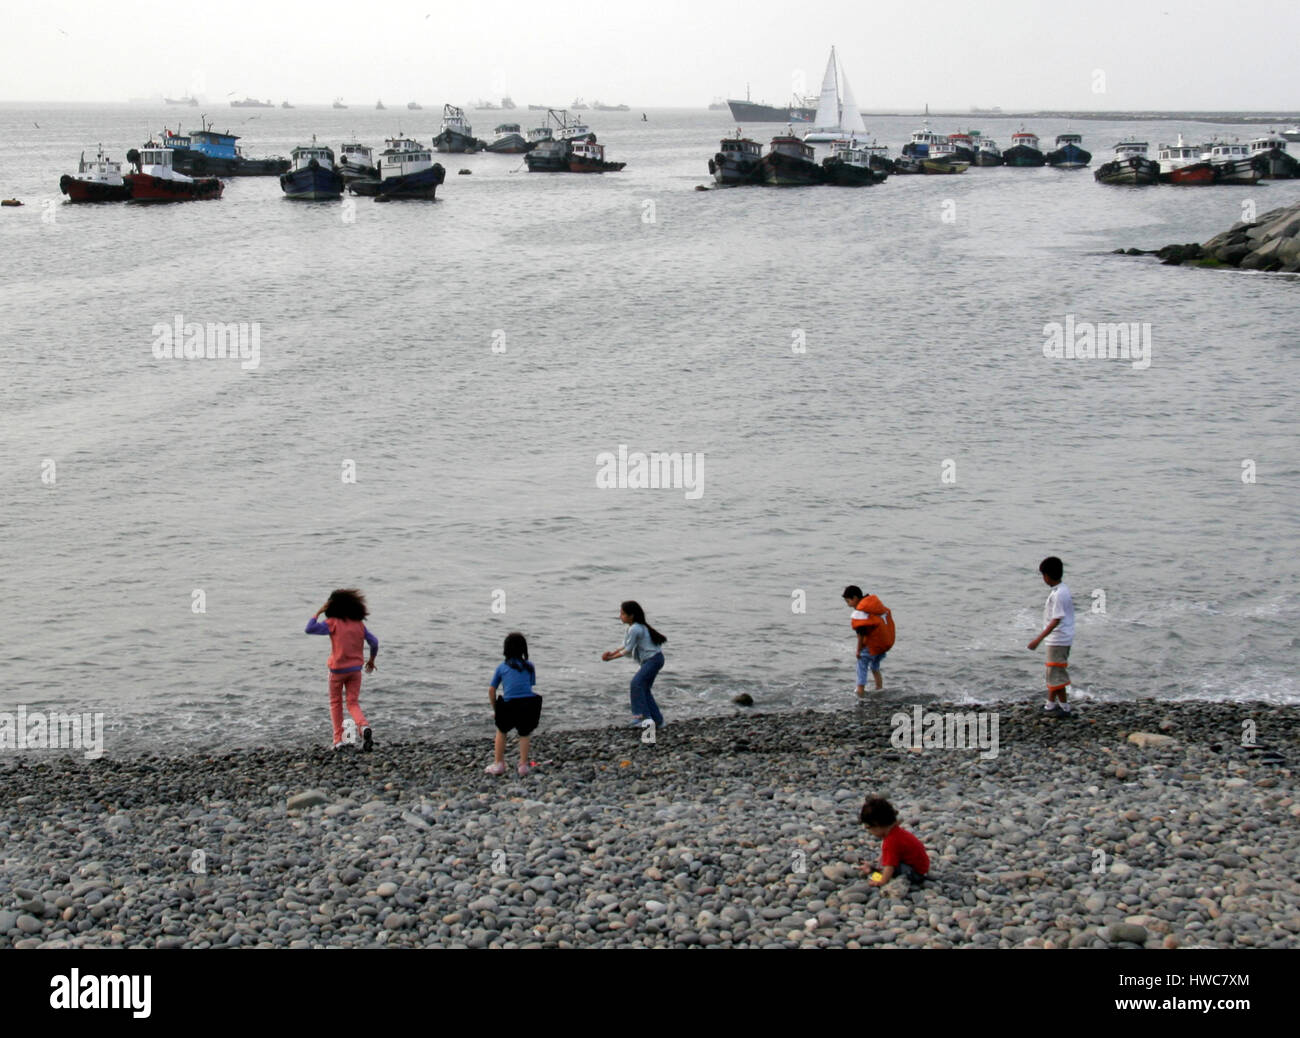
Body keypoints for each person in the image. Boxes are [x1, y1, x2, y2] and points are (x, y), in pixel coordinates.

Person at [305, 589, 378, 751]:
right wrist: (371, 660)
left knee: (335, 703)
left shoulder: (333, 623)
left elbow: (309, 629)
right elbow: (374, 642)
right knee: (352, 703)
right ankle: (364, 726)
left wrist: (318, 612)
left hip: (337, 671)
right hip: (355, 671)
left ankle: (338, 740)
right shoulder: (359, 624)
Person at [601, 600, 666, 729]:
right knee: (644, 688)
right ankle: (657, 720)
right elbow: (624, 645)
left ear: (631, 616)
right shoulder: (634, 627)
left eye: (623, 613)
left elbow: (628, 650)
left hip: (653, 660)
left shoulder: (636, 628)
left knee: (636, 684)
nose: (620, 616)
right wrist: (611, 653)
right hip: (655, 660)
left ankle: (642, 718)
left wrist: (611, 658)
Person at [486, 632, 543, 777]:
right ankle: (523, 765)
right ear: (524, 649)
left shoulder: (502, 667)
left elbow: (492, 690)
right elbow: (528, 686)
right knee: (524, 733)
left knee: (501, 730)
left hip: (509, 705)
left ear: (506, 649)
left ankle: (499, 763)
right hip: (528, 705)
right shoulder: (530, 666)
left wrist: (496, 709)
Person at [1027, 555, 1074, 716]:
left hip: (1058, 639)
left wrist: (1037, 640)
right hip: (1058, 639)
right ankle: (1051, 704)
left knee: (1056, 674)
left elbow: (1056, 620)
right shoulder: (1061, 590)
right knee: (1053, 672)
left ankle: (1064, 707)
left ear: (1047, 576)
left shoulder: (1059, 594)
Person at [859, 796, 929, 887]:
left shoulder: (891, 841)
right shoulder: (897, 832)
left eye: (868, 828)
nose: (869, 831)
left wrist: (881, 881)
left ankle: (875, 873)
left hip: (915, 874)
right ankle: (873, 868)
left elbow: (890, 865)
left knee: (888, 866)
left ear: (877, 825)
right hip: (921, 869)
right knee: (885, 858)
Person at [843, 585, 895, 696]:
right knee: (875, 667)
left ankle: (860, 693)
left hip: (871, 646)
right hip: (882, 645)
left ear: (855, 598)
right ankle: (879, 689)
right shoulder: (875, 607)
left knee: (861, 667)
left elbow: (861, 634)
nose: (848, 605)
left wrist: (858, 650)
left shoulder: (861, 612)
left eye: (848, 601)